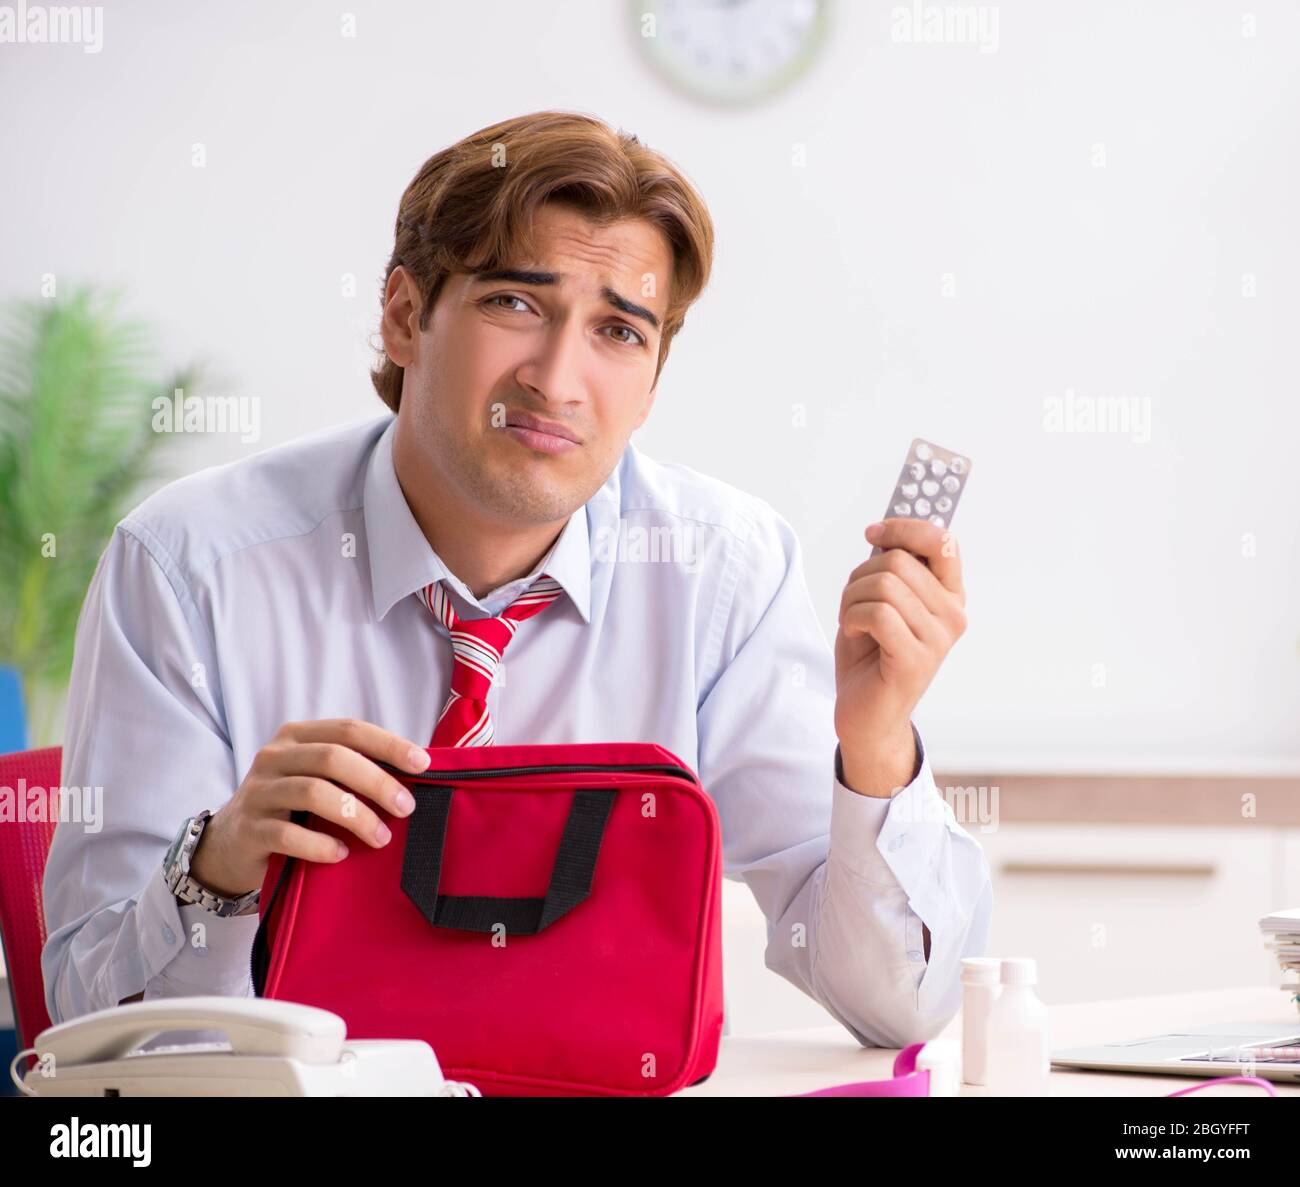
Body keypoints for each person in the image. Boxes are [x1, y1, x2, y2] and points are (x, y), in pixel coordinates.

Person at [42, 109, 991, 1049]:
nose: (557, 379)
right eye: (516, 304)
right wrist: (221, 864)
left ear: (654, 381)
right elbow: (88, 1027)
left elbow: (896, 1008)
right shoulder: (189, 564)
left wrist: (873, 746)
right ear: (406, 316)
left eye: (618, 332)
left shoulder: (722, 573)